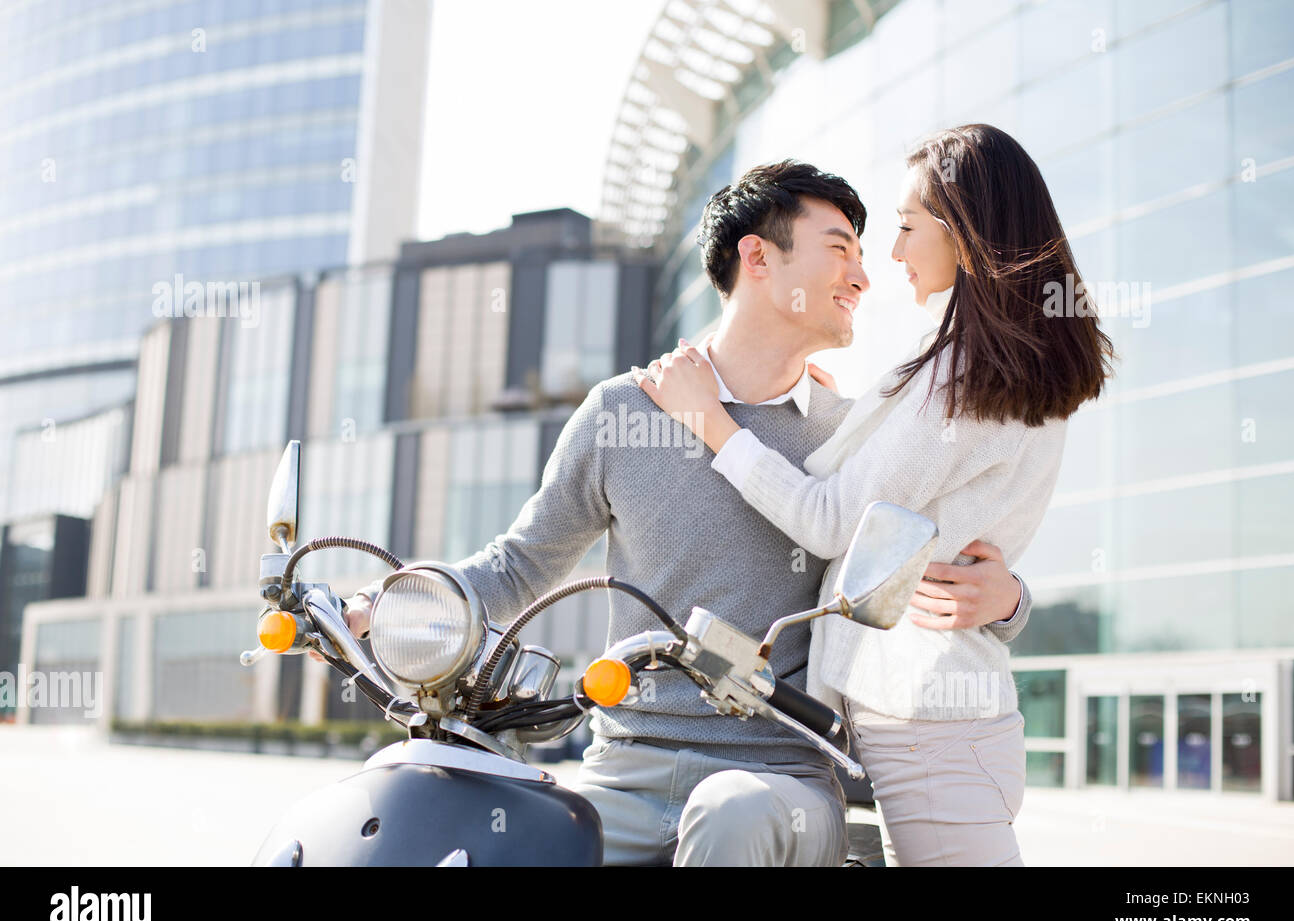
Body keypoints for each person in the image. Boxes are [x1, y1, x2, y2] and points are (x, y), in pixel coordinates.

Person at [344, 159, 1034, 866]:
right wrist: (385, 600)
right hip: (623, 772)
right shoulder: (621, 413)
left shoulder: (849, 433)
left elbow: (935, 558)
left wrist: (1010, 602)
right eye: (839, 249)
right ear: (758, 257)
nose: (863, 276)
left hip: (780, 784)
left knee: (729, 813)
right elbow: (519, 566)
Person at [638, 126, 1114, 866]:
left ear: (964, 230)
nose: (890, 254)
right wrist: (854, 426)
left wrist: (711, 420)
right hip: (947, 713)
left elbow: (833, 523)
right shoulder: (1010, 366)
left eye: (905, 225)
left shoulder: (962, 375)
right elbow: (936, 509)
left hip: (927, 721)